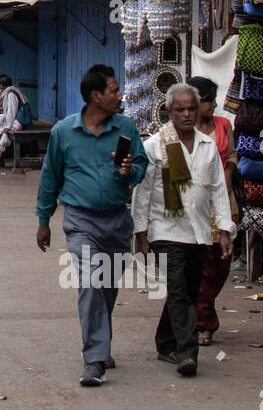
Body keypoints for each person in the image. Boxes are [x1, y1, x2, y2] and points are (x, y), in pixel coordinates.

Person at [35, 64, 148, 388]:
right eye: (114, 90)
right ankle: (95, 359)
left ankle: (101, 340)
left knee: (107, 287)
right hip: (81, 221)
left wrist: (130, 170)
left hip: (116, 220)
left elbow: (142, 165)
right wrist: (43, 221)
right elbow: (49, 179)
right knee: (90, 282)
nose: (120, 94)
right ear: (96, 96)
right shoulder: (64, 132)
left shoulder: (125, 127)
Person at [132, 83, 235, 378]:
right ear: (169, 112)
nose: (187, 114)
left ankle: (165, 342)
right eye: (180, 110)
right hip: (165, 230)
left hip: (200, 232)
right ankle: (187, 353)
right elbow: (143, 193)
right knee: (178, 290)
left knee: (187, 291)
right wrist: (141, 233)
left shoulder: (207, 146)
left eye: (192, 108)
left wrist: (225, 230)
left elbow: (217, 190)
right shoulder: (154, 146)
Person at [188, 76, 238, 348]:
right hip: (196, 206)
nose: (214, 104)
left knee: (221, 265)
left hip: (224, 204)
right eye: (209, 100)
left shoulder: (223, 125)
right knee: (204, 267)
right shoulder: (183, 129)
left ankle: (203, 310)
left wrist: (228, 174)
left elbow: (231, 156)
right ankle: (204, 323)